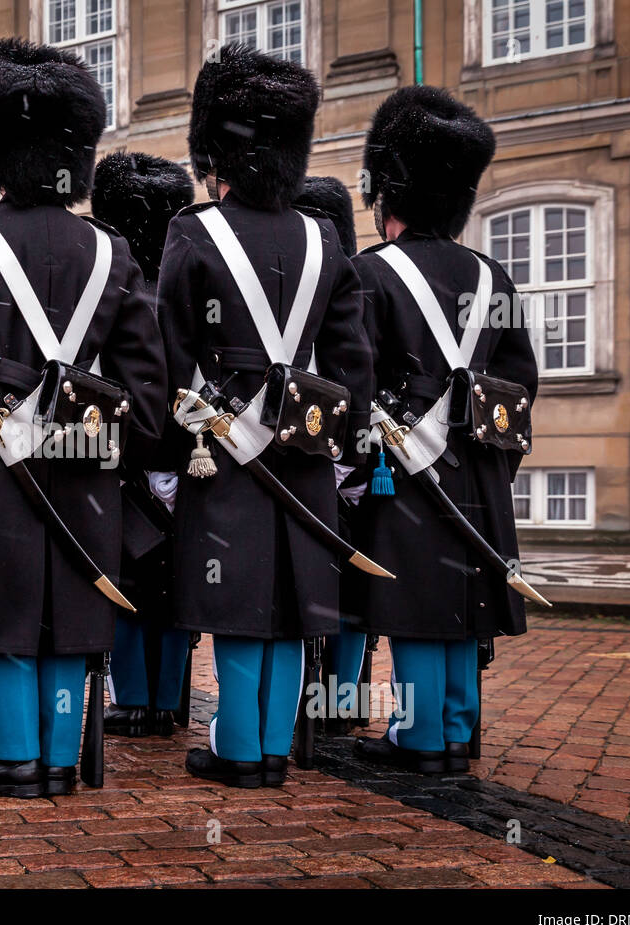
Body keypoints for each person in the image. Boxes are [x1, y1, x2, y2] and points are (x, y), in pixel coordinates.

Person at [0, 38, 166, 798]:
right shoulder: (113, 251)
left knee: (5, 611)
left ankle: (17, 757)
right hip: (87, 469)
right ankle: (60, 759)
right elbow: (146, 392)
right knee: (73, 612)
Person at [157, 45, 372, 789]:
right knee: (292, 604)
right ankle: (274, 746)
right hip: (305, 452)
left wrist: (174, 440)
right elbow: (353, 360)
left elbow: (170, 347)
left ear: (216, 155)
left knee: (239, 601)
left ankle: (239, 750)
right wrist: (340, 450)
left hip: (224, 449)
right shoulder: (325, 237)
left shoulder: (192, 231)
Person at [350, 86, 537, 774]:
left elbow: (355, 376)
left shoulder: (370, 271)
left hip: (406, 459)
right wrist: (489, 460)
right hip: (480, 463)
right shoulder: (494, 275)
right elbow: (520, 382)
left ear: (390, 197)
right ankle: (458, 729)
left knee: (413, 596)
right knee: (468, 595)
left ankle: (420, 735)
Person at [89, 151, 194, 738]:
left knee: (129, 580)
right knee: (175, 585)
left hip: (126, 454)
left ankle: (132, 696)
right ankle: (169, 695)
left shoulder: (118, 289)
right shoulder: (177, 293)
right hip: (184, 454)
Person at [292, 176, 369, 731]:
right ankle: (344, 701)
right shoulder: (353, 280)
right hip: (338, 452)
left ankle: (324, 701)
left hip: (320, 450)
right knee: (348, 588)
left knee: (329, 585)